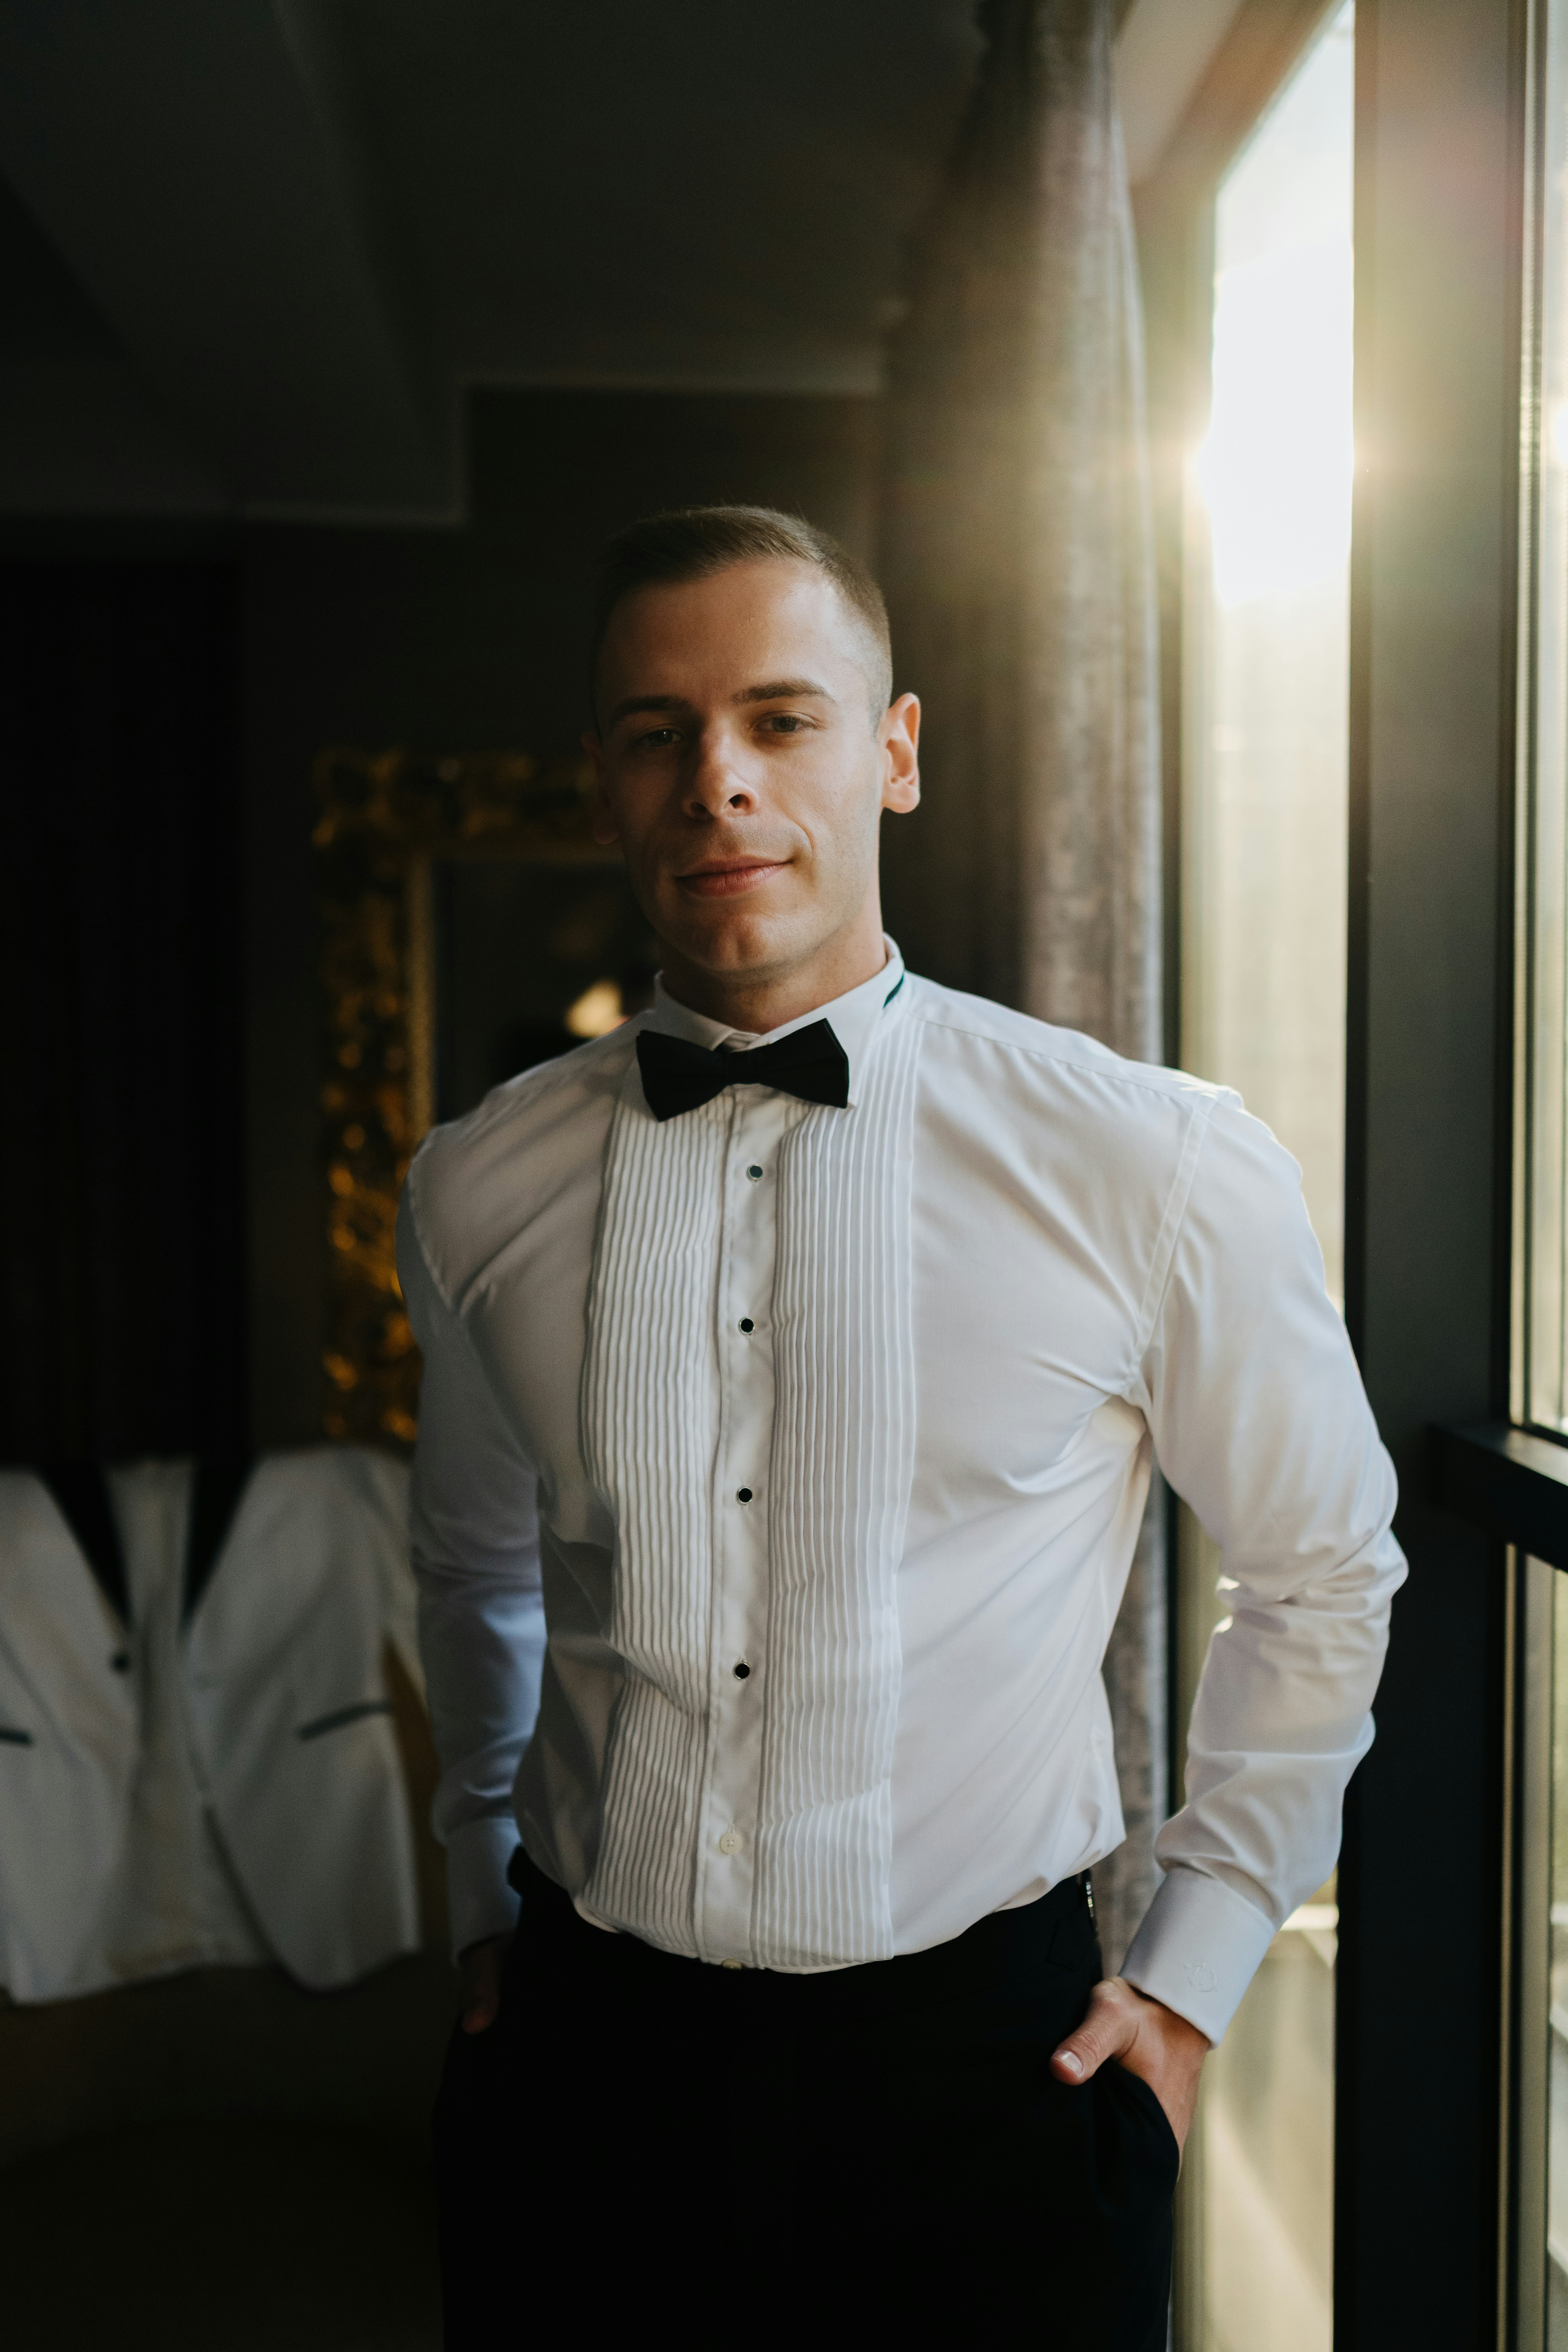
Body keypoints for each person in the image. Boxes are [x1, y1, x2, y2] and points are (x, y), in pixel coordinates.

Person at [398, 505, 1404, 2347]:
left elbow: (1325, 1573)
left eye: (782, 720)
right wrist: (478, 1882)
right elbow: (473, 1560)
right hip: (583, 2067)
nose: (719, 782)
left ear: (896, 753)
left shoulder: (1150, 1161)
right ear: (605, 782)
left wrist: (1187, 1982)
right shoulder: (474, 1186)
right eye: (658, 732)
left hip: (986, 2089)